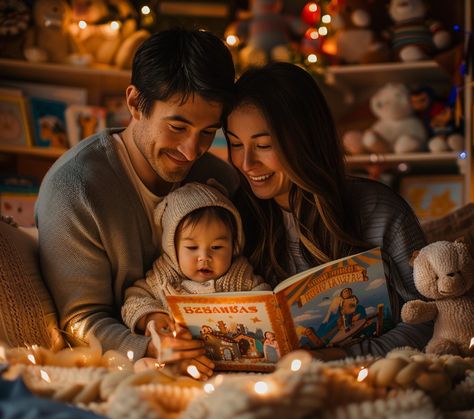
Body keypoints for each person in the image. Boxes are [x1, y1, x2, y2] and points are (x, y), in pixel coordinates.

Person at [35, 28, 238, 373]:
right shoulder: (75, 187)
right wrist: (150, 346)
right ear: (134, 103)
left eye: (208, 132)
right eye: (177, 127)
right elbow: (81, 320)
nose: (192, 151)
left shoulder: (220, 181)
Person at [225, 62, 432, 360]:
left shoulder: (379, 210)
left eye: (264, 145)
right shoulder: (234, 218)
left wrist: (344, 357)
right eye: (235, 144)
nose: (246, 163)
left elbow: (429, 316)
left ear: (304, 140)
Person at [121, 182, 269, 369]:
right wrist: (151, 317)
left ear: (234, 247)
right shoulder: (162, 278)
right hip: (181, 361)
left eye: (217, 247)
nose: (204, 257)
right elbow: (134, 299)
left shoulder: (240, 276)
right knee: (144, 365)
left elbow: (263, 297)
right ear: (172, 249)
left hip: (235, 361)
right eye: (191, 248)